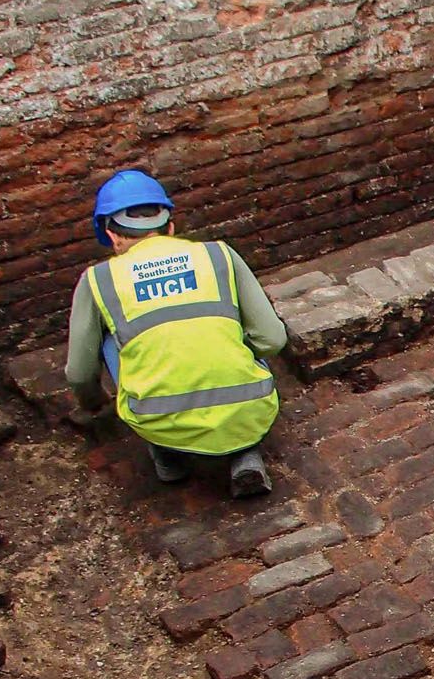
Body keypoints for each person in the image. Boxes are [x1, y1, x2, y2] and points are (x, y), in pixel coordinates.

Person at [64, 170, 287, 497]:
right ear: (170, 227)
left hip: (156, 417)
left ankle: (168, 456)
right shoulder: (218, 255)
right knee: (229, 324)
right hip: (249, 405)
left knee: (114, 336)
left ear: (112, 236)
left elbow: (80, 373)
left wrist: (95, 404)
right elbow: (273, 339)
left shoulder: (99, 280)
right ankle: (245, 454)